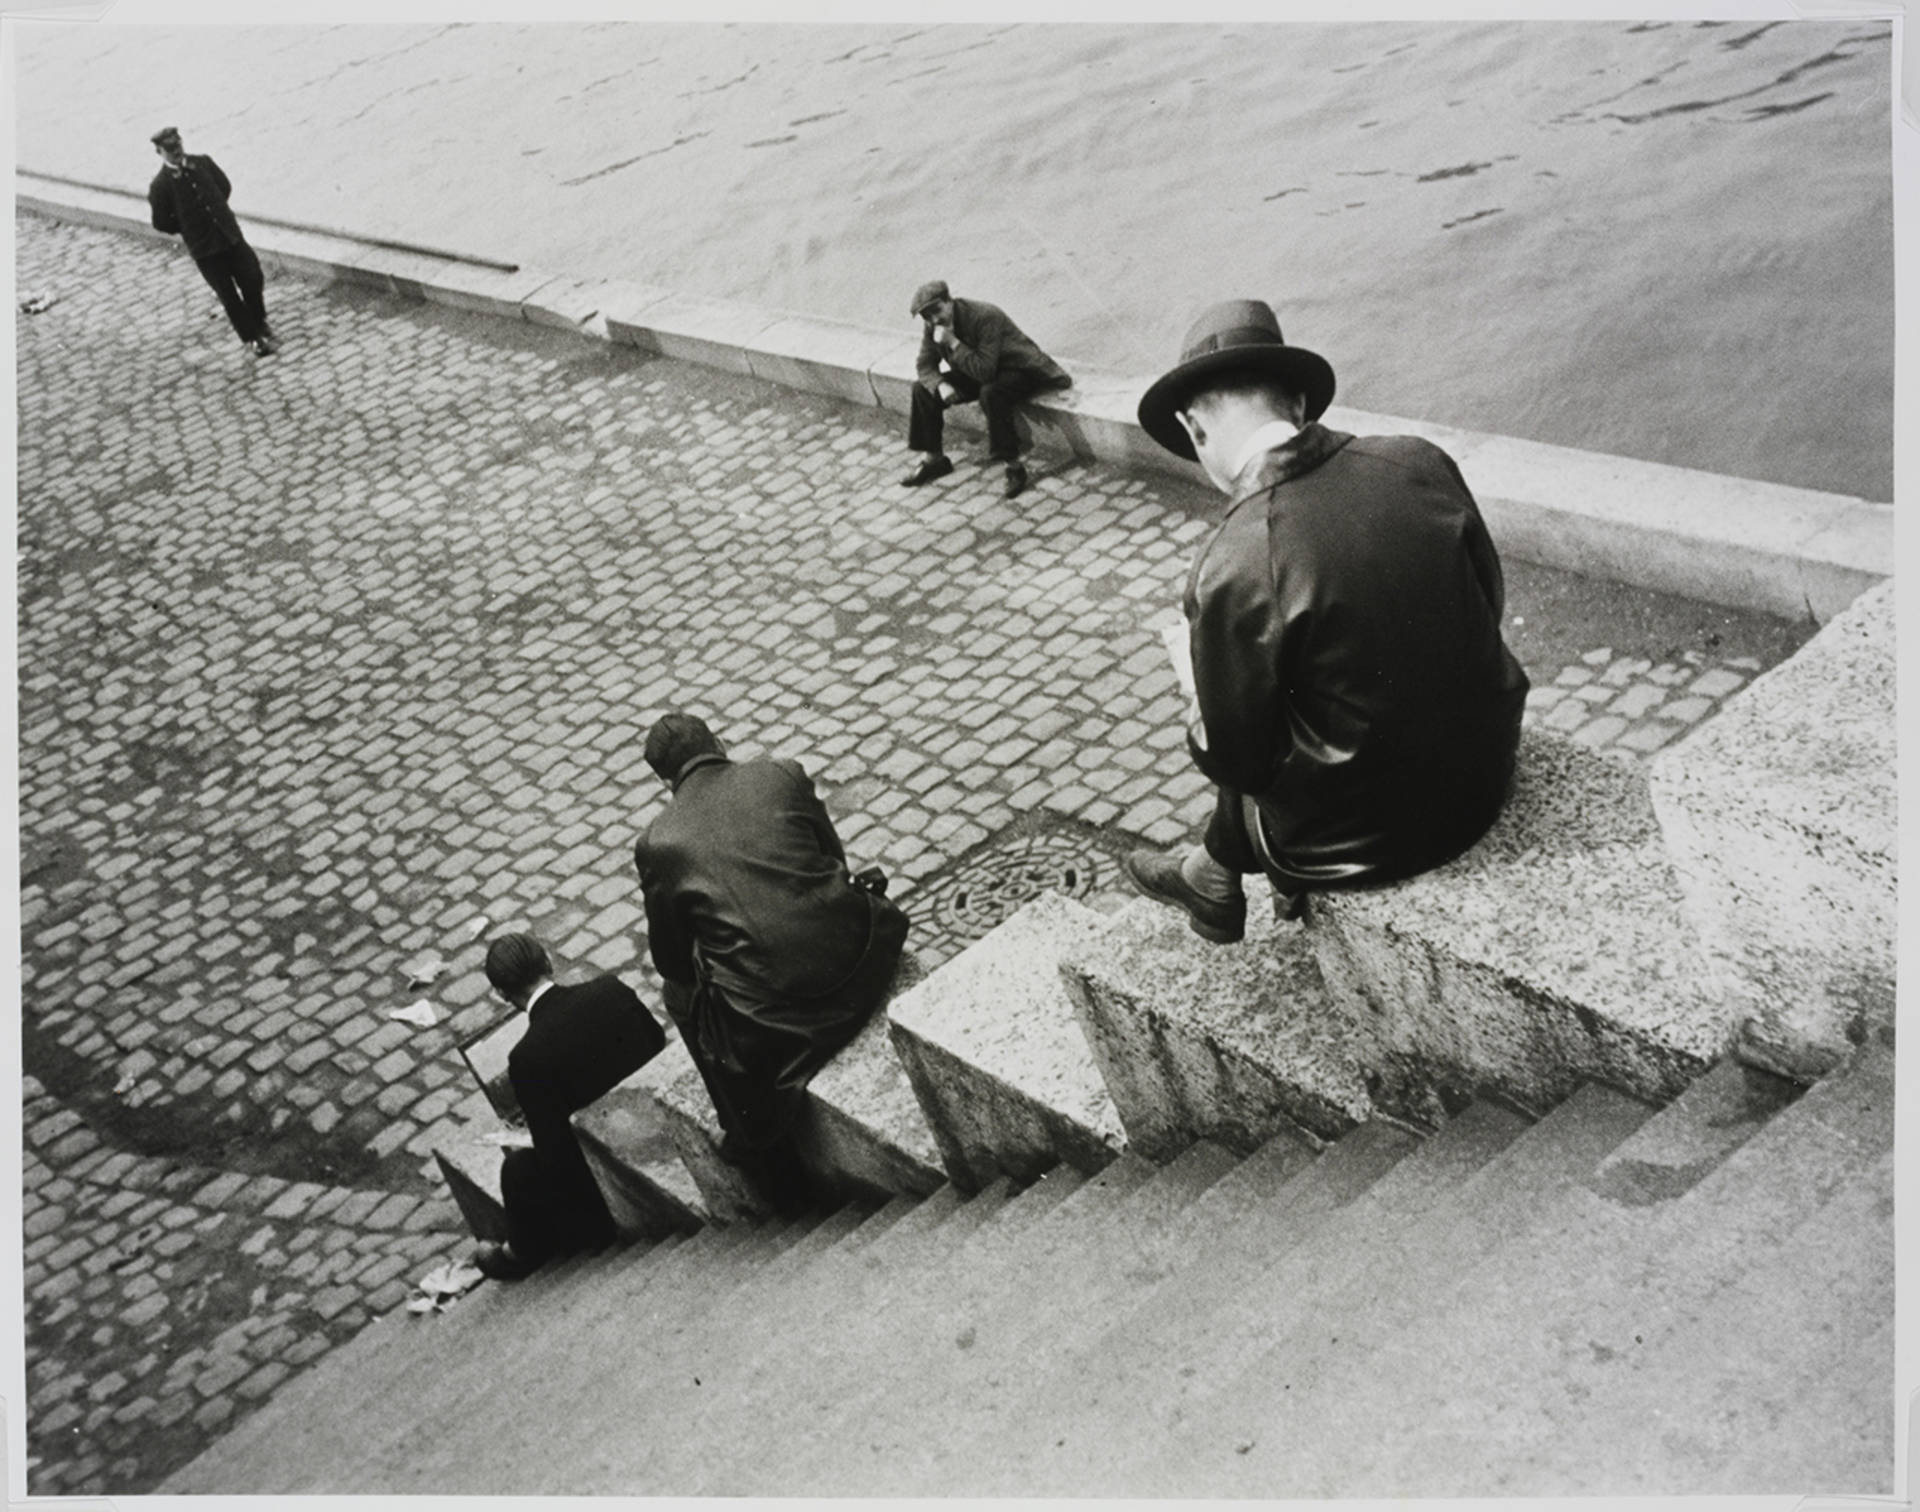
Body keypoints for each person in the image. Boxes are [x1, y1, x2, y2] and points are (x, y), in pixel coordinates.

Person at [1123, 299, 1529, 943]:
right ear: (1299, 405)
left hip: (1364, 842)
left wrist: (1199, 693)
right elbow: (1489, 601)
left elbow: (1238, 762)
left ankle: (1215, 874)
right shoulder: (1418, 460)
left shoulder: (1234, 558)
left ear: (1196, 431)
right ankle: (1209, 874)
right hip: (1487, 772)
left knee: (1247, 702)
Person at [634, 713, 908, 1212]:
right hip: (861, 956)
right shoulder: (779, 773)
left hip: (781, 1016)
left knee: (678, 996)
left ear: (664, 780)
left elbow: (671, 962)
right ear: (718, 741)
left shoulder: (659, 843)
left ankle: (747, 1133)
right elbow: (834, 860)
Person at [471, 934, 666, 1280]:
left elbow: (557, 1158)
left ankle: (519, 1253)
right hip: (655, 1122)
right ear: (547, 961)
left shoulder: (527, 1058)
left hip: (609, 1178)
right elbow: (657, 1042)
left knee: (518, 1170)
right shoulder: (611, 990)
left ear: (501, 994)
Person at [901, 279, 1072, 500]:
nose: (934, 319)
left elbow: (985, 372)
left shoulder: (984, 316)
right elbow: (924, 365)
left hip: (1019, 369)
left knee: (991, 393)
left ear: (949, 301)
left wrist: (953, 343)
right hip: (978, 369)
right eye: (927, 316)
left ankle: (1014, 466)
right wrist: (940, 385)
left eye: (937, 310)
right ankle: (934, 460)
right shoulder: (933, 326)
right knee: (922, 390)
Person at [147, 126, 278, 357]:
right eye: (169, 149)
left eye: (178, 145)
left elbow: (224, 187)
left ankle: (259, 321)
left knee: (253, 277)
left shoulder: (203, 163)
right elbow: (161, 222)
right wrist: (188, 227)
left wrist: (218, 214)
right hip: (205, 250)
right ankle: (252, 338)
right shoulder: (160, 186)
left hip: (230, 236)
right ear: (159, 152)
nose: (176, 151)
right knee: (228, 295)